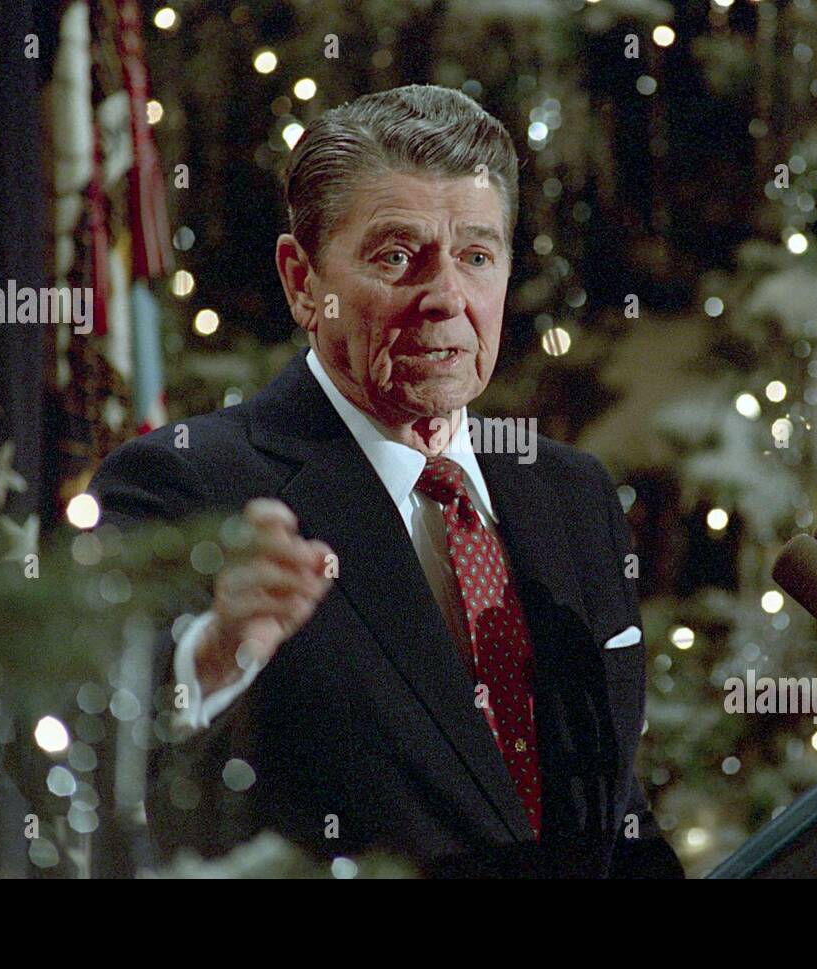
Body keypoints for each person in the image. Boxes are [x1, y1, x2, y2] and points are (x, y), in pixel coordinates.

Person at [90, 84, 683, 878]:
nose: (445, 298)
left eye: (476, 256)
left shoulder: (570, 493)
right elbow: (91, 749)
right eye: (396, 256)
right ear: (303, 281)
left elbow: (612, 816)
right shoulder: (187, 484)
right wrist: (213, 653)